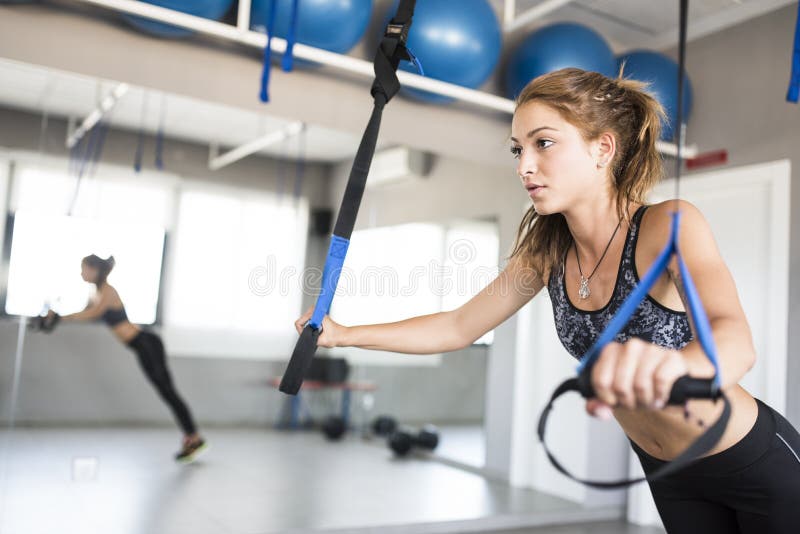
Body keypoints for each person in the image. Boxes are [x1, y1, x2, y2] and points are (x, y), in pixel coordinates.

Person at [295, 68, 800, 533]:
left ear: (603, 149)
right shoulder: (546, 253)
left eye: (544, 144)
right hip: (669, 473)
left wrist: (674, 372)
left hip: (752, 461)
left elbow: (734, 341)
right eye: (518, 149)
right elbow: (457, 327)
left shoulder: (669, 225)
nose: (525, 165)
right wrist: (344, 335)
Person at [47, 254, 206, 463]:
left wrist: (60, 317)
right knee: (165, 392)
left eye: (84, 268)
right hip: (140, 347)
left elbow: (93, 314)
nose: (81, 273)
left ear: (95, 269)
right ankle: (191, 437)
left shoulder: (108, 291)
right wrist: (56, 316)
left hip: (147, 344)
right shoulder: (95, 293)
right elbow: (84, 312)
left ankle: (193, 438)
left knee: (168, 391)